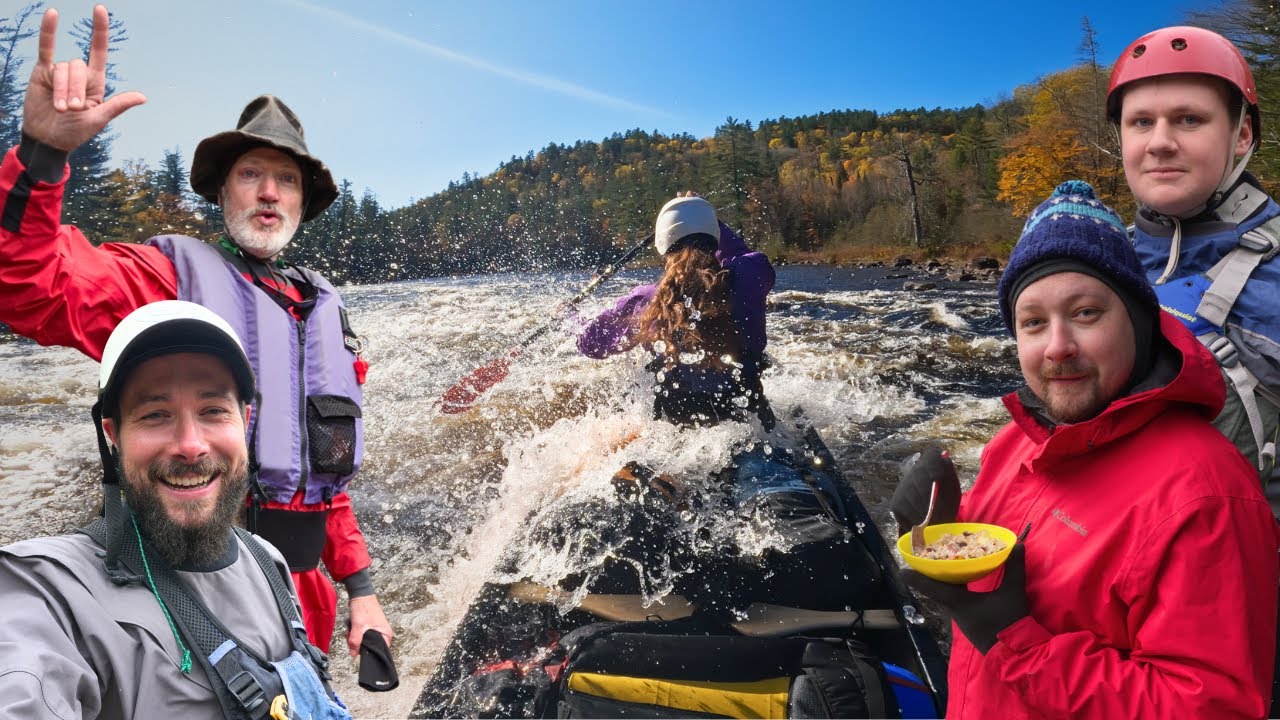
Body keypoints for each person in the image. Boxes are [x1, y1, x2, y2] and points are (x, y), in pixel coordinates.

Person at [0, 5, 389, 656]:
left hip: (301, 593)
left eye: (286, 179)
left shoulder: (324, 311)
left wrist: (362, 588)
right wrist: (42, 155)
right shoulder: (163, 280)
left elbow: (326, 478)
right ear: (223, 193)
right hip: (186, 581)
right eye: (250, 174)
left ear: (301, 200)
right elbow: (23, 283)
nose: (269, 192)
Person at [892, 181, 1280, 718]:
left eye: (1086, 313)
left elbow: (1211, 706)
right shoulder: (1015, 444)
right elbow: (1001, 579)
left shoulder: (1205, 495)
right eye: (1033, 322)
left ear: (1139, 323)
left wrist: (1018, 643)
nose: (1057, 346)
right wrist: (939, 526)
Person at [0, 301, 352, 719]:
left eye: (213, 411)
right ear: (113, 435)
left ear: (245, 420)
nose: (190, 444)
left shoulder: (265, 559)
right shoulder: (44, 588)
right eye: (155, 415)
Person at [1107, 26, 1280, 505]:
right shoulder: (1101, 260)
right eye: (1140, 122)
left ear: (1241, 134)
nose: (1159, 143)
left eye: (1187, 119)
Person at [577, 194, 777, 429]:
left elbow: (588, 343)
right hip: (748, 423)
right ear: (715, 235)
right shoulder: (749, 274)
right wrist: (702, 214)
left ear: (663, 243)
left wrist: (569, 317)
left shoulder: (647, 300)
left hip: (675, 435)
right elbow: (739, 253)